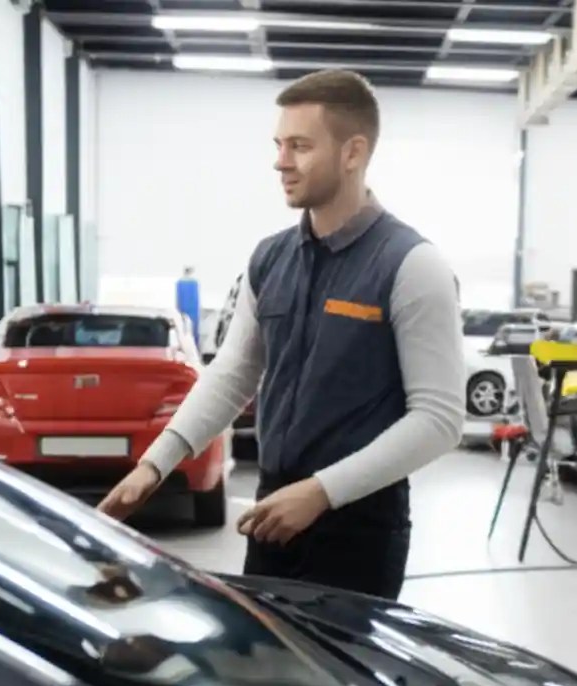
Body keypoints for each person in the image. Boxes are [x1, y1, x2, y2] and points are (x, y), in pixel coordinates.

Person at [97, 69, 464, 600]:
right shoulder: (270, 259)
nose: (280, 161)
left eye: (299, 145)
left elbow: (439, 419)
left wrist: (321, 493)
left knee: (341, 680)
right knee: (264, 675)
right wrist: (156, 463)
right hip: (272, 510)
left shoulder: (411, 265)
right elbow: (233, 373)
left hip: (357, 524)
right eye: (278, 144)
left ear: (353, 152)